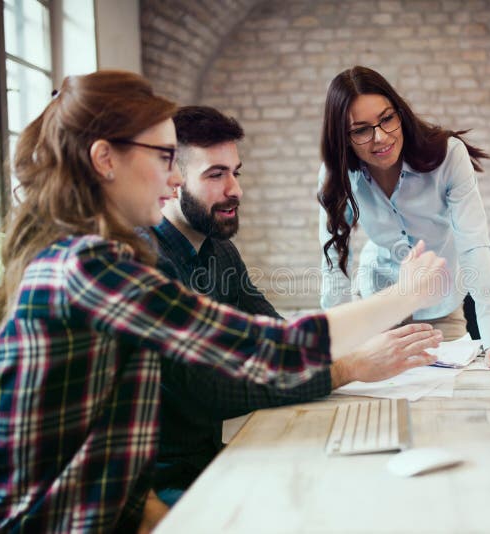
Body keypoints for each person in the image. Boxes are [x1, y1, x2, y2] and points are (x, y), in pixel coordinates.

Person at [0, 70, 447, 533]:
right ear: (106, 159)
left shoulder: (85, 258)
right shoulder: (89, 267)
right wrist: (400, 296)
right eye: (162, 158)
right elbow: (260, 347)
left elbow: (94, 456)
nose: (173, 180)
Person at [150, 105, 442, 505]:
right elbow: (212, 388)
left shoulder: (220, 250)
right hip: (168, 482)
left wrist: (364, 350)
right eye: (216, 175)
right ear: (172, 179)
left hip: (217, 456)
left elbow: (275, 335)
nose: (235, 189)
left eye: (236, 172)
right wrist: (349, 367)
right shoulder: (148, 261)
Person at [317, 65, 490, 369]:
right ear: (343, 137)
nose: (380, 137)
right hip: (380, 301)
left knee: (446, 391)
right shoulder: (337, 175)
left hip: (440, 303)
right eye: (361, 130)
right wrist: (338, 342)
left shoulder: (449, 157)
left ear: (400, 113)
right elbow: (334, 259)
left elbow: (474, 246)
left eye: (386, 119)